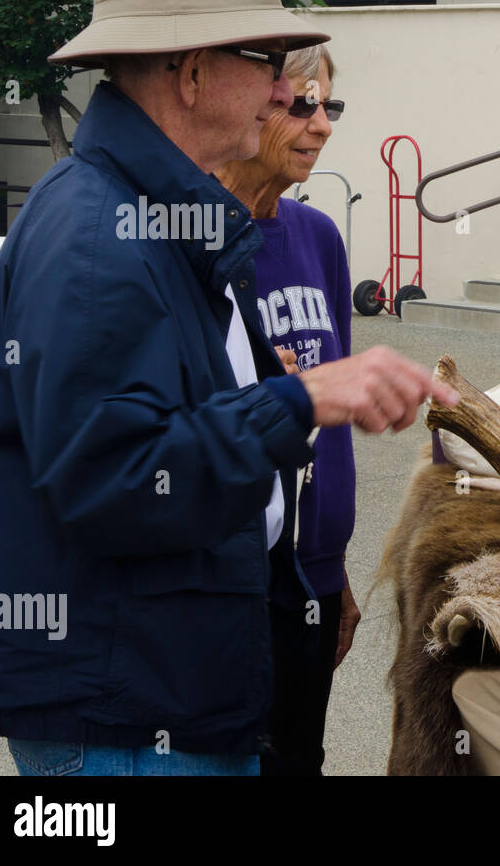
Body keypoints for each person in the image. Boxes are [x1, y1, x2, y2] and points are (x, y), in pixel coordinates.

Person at [0, 0, 456, 777]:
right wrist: (301, 400)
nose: (283, 88)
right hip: (123, 725)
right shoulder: (99, 235)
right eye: (265, 59)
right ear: (191, 75)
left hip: (156, 702)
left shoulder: (149, 216)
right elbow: (114, 477)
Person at [214, 44, 357, 776]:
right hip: (240, 579)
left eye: (328, 105)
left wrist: (338, 575)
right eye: (302, 104)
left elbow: (333, 427)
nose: (321, 124)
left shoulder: (321, 239)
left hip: (317, 575)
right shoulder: (202, 245)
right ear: (252, 104)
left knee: (302, 760)